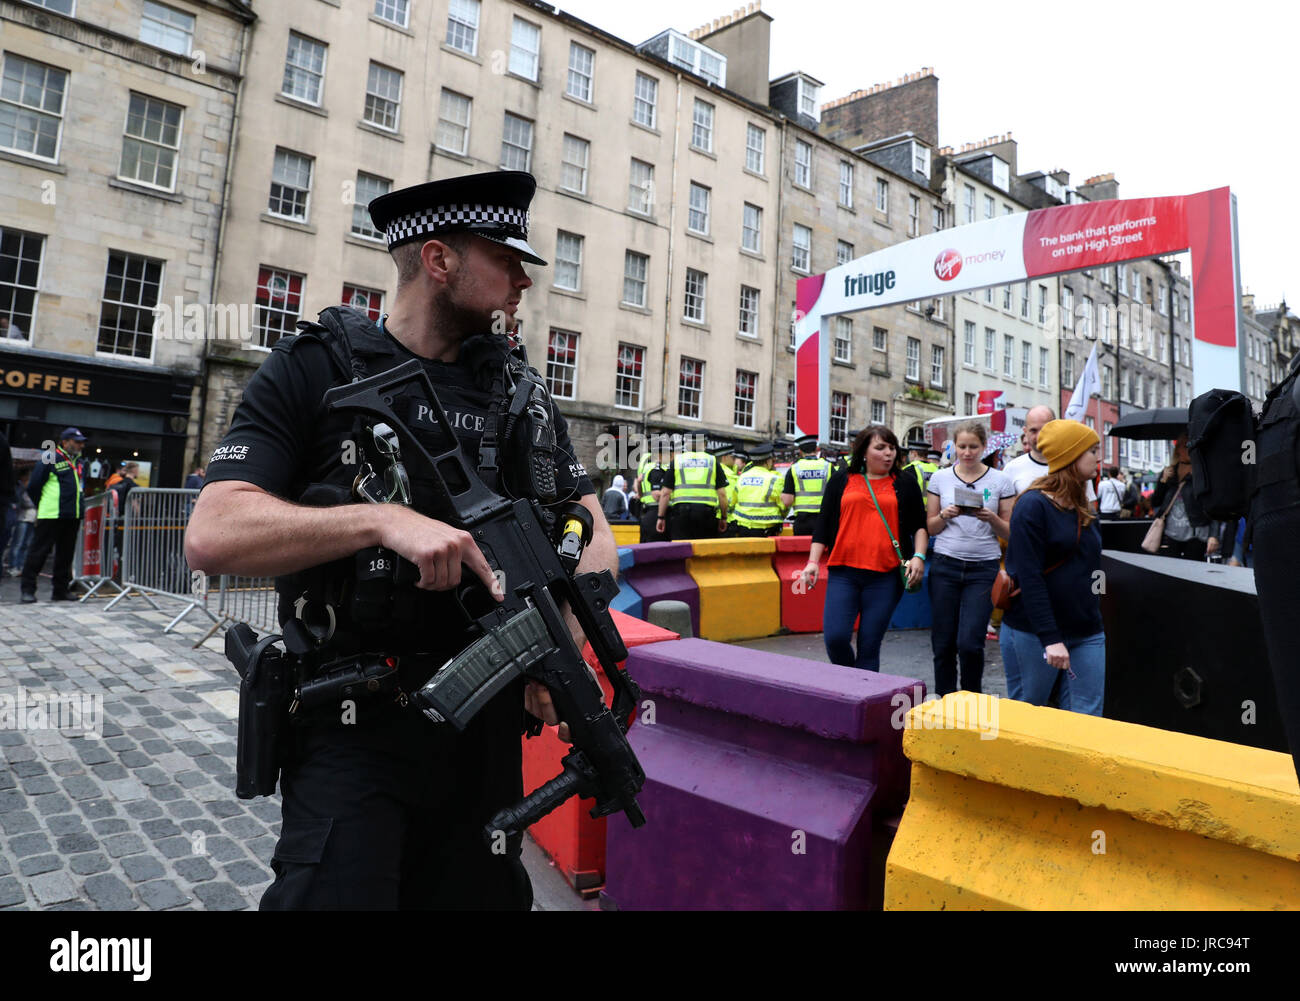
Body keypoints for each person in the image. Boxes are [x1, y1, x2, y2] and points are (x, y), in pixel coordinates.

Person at [184, 170, 612, 910]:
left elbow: (592, 528)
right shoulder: (314, 367)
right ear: (440, 260)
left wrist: (562, 637)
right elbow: (214, 532)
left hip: (483, 738)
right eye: (506, 259)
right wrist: (380, 520)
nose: (522, 281)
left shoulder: (518, 391)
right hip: (352, 728)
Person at [797, 425, 927, 672]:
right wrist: (812, 562)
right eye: (880, 447)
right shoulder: (842, 479)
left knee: (869, 646)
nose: (888, 453)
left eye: (892, 448)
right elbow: (823, 524)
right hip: (843, 572)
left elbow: (919, 526)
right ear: (864, 452)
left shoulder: (905, 483)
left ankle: (863, 698)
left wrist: (919, 556)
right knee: (835, 638)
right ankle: (853, 682)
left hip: (885, 577)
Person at [998, 420, 1106, 715]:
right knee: (1029, 716)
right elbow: (1029, 577)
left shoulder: (1083, 504)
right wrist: (1051, 639)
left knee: (1087, 719)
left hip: (1086, 630)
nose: (1098, 457)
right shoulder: (1033, 505)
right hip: (1035, 633)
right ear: (1070, 456)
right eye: (1092, 450)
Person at [925, 423, 1016, 696]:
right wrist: (944, 515)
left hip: (983, 567)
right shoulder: (940, 478)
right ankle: (944, 700)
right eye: (962, 447)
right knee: (942, 643)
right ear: (954, 446)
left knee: (970, 643)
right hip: (945, 563)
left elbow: (1010, 532)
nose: (967, 453)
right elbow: (930, 527)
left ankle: (970, 699)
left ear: (983, 447)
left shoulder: (1000, 481)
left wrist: (992, 518)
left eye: (973, 447)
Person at [20, 427, 87, 603]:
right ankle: (27, 590)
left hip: (72, 515)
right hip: (51, 514)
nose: (81, 445)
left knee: (65, 555)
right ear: (64, 442)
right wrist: (42, 505)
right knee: (38, 553)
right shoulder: (50, 457)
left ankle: (60, 591)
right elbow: (34, 486)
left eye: (82, 442)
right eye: (77, 441)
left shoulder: (79, 462)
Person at [1149, 435, 1227, 560]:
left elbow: (1213, 506)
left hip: (1196, 535)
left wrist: (1214, 535)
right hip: (1170, 535)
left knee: (1191, 574)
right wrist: (1163, 482)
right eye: (1183, 446)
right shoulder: (1169, 473)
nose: (1186, 449)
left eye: (1189, 445)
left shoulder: (1203, 474)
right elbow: (1155, 502)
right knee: (1169, 574)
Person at [1003, 406, 1097, 508]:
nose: (1039, 436)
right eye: (1033, 431)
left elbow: (1089, 509)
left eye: (1045, 429)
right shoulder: (1012, 468)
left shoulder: (1074, 465)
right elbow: (1009, 515)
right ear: (1025, 431)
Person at [656, 436, 728, 541]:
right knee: (704, 550)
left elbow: (665, 493)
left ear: (687, 445)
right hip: (706, 514)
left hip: (681, 514)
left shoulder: (677, 460)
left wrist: (661, 517)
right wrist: (724, 517)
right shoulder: (712, 461)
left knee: (681, 550)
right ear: (704, 444)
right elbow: (722, 494)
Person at [781, 433, 834, 537]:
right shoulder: (828, 467)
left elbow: (787, 501)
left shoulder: (794, 469)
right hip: (824, 519)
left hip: (802, 521)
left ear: (800, 451)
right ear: (817, 449)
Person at [731, 443, 787, 537]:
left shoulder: (742, 477)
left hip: (743, 527)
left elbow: (732, 501)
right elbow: (784, 505)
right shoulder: (775, 479)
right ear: (768, 461)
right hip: (766, 529)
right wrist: (782, 516)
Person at [634, 438, 671, 543]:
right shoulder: (659, 468)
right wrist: (671, 496)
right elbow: (657, 495)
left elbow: (639, 485)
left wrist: (641, 494)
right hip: (657, 512)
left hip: (646, 513)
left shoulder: (646, 467)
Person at [5, 471, 35, 576]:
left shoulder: (32, 489)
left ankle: (21, 566)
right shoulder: (20, 488)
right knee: (18, 543)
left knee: (26, 544)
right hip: (22, 518)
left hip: (32, 518)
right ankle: (13, 566)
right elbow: (22, 502)